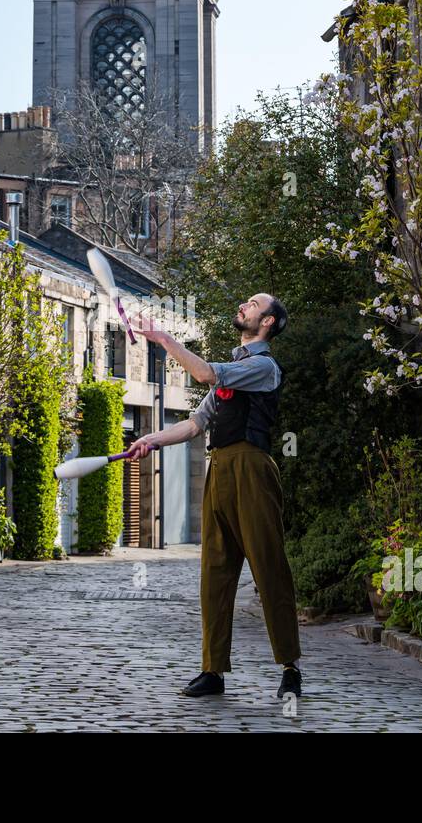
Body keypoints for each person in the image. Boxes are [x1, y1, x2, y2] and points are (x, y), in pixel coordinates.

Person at [126, 293, 302, 699]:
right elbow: (194, 425)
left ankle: (290, 667)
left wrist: (162, 338)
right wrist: (151, 439)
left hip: (252, 470)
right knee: (215, 573)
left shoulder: (263, 366)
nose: (243, 305)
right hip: (219, 468)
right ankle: (213, 670)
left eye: (254, 304)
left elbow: (205, 373)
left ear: (268, 322)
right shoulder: (235, 368)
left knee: (268, 567)